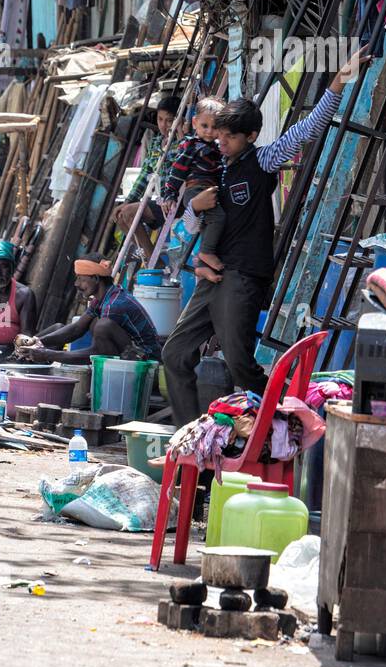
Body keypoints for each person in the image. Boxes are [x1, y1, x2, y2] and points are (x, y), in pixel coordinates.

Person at [162, 47, 371, 427]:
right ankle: (189, 435)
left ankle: (280, 423)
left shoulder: (263, 160)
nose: (220, 143)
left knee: (239, 360)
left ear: (251, 136)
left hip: (242, 275)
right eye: (219, 136)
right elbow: (190, 228)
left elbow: (306, 131)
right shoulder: (214, 168)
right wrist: (196, 207)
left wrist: (337, 83)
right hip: (211, 276)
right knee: (175, 353)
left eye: (229, 138)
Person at [19, 255, 163, 365]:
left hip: (149, 363)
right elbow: (76, 329)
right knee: (93, 322)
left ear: (95, 278)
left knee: (102, 325)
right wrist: (36, 341)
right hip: (131, 354)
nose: (76, 284)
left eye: (81, 279)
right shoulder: (102, 298)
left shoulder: (114, 305)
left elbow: (96, 353)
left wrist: (48, 355)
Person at [113, 96, 181, 262]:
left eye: (169, 120)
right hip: (160, 202)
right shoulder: (157, 142)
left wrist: (180, 135)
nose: (164, 125)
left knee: (129, 214)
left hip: (176, 201)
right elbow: (145, 174)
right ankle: (147, 257)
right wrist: (128, 200)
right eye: (160, 119)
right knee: (121, 215)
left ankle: (152, 265)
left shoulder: (183, 143)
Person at [161, 97, 224, 260]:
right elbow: (178, 170)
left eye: (215, 127)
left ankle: (203, 254)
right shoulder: (192, 145)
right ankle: (206, 253)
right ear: (195, 123)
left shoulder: (217, 148)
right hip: (196, 190)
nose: (209, 131)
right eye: (205, 126)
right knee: (218, 218)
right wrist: (170, 194)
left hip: (208, 190)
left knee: (207, 224)